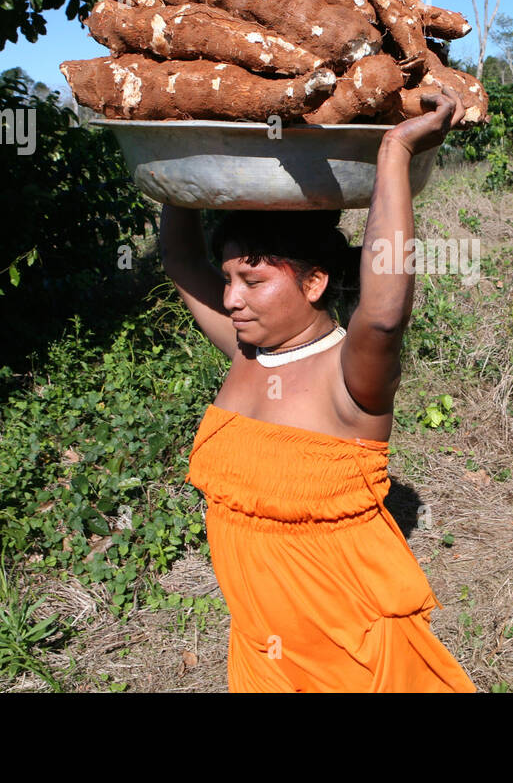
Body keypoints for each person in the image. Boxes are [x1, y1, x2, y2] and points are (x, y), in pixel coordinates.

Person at [158, 86, 476, 692]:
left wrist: (394, 153)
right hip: (262, 647)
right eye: (227, 280)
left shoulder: (351, 375)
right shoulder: (247, 353)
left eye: (252, 279)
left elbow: (383, 314)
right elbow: (178, 258)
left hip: (352, 653)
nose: (231, 299)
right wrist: (179, 154)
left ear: (314, 283)